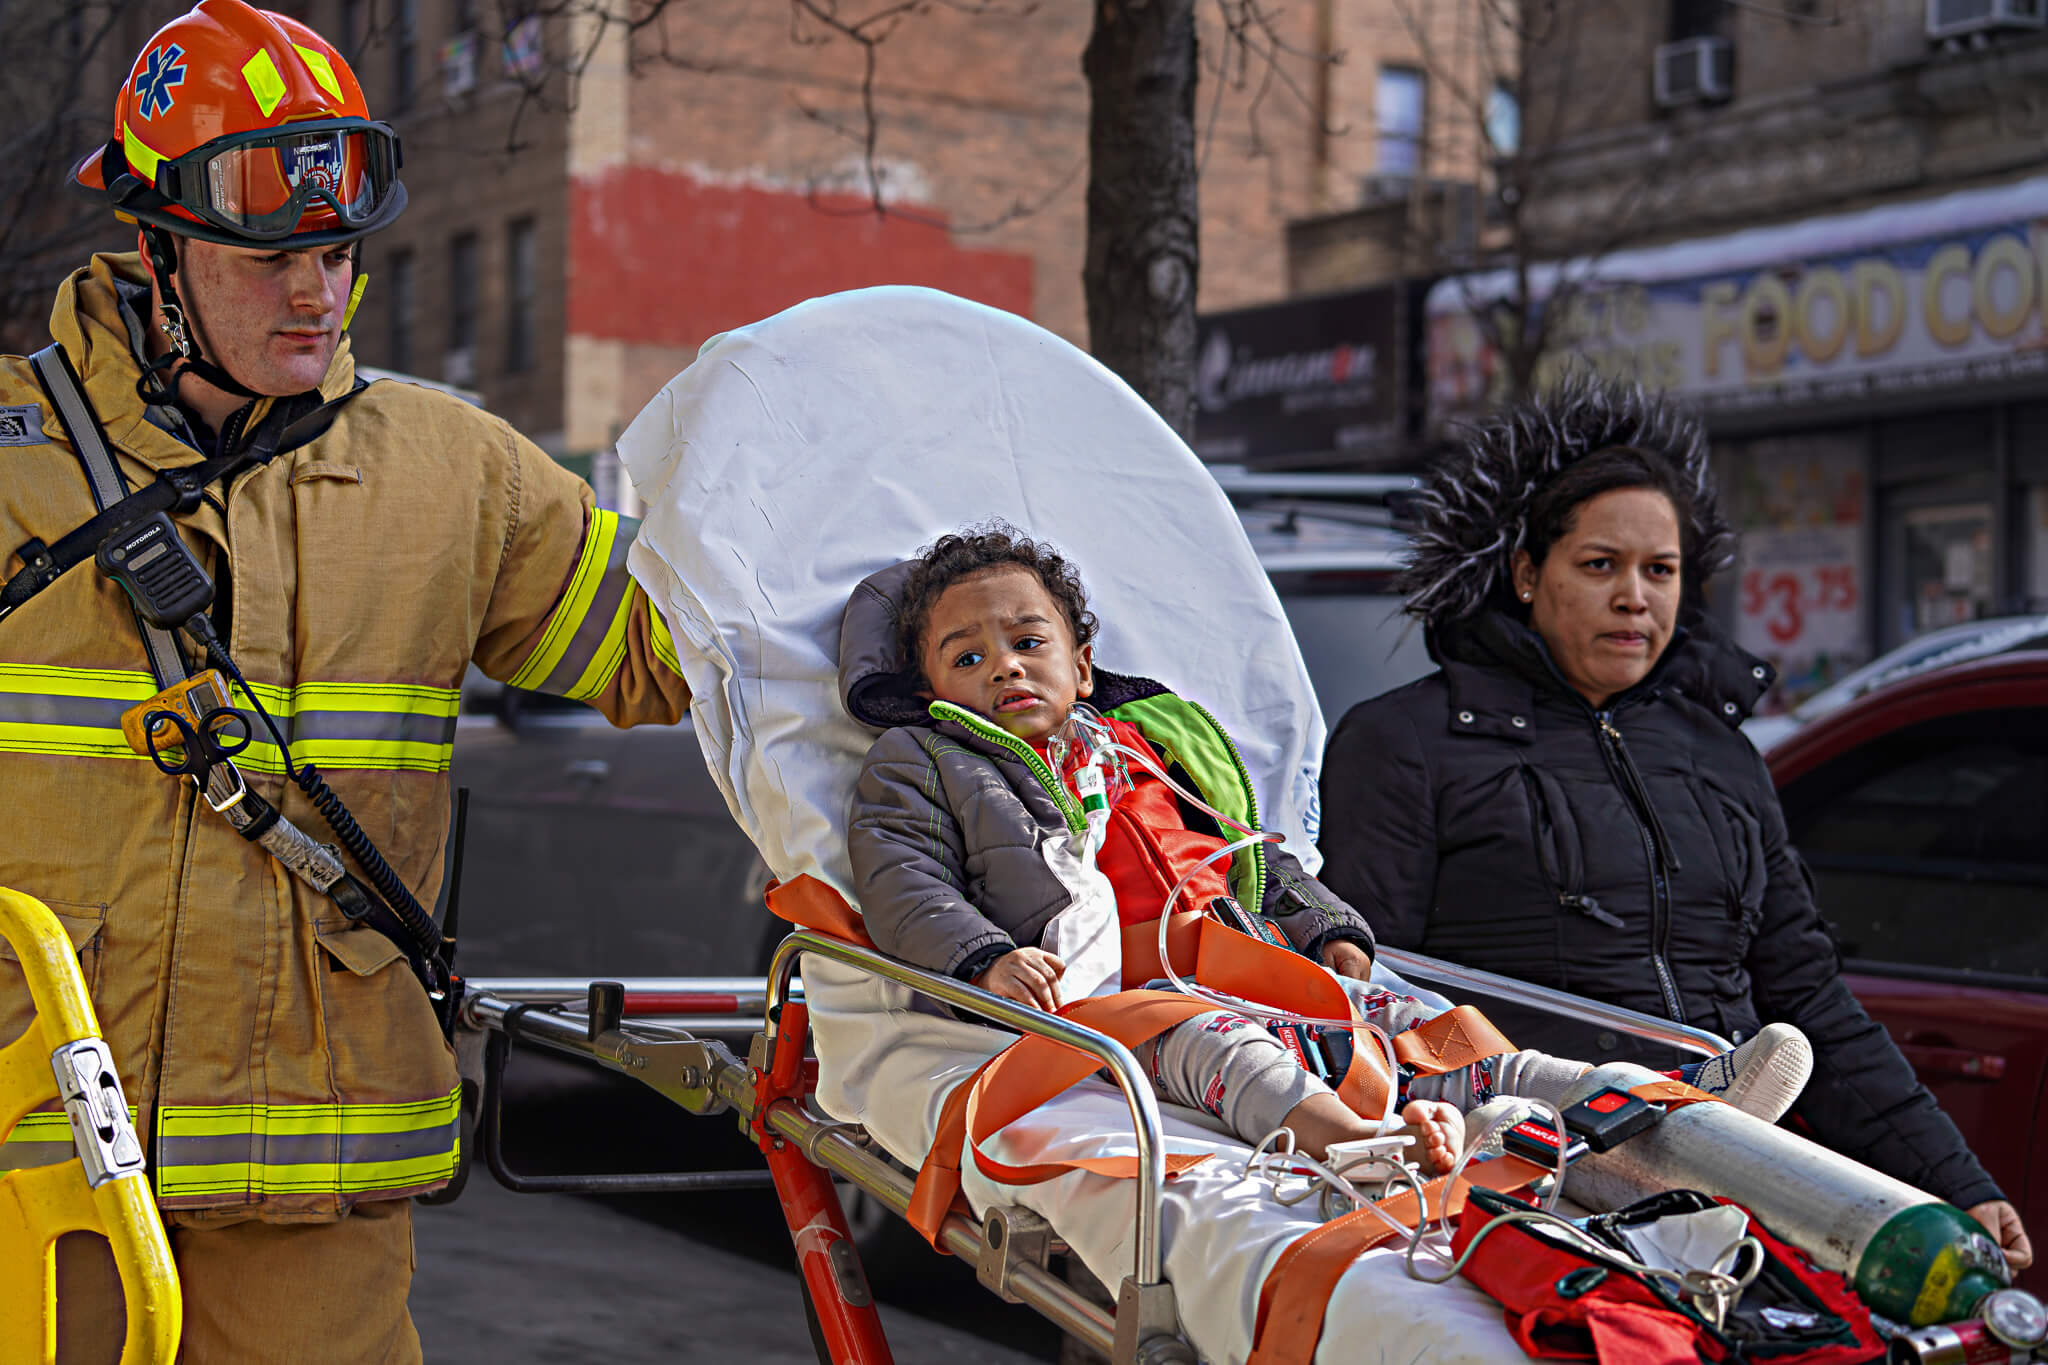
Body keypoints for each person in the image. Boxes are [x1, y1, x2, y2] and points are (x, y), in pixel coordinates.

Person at [0, 2, 690, 1358]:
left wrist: (945, 614)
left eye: (333, 252)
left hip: (313, 1209)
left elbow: (673, 655)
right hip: (35, 1175)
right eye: (268, 259)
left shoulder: (456, 473)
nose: (315, 293)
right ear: (155, 250)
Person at [1316, 374, 2032, 1271]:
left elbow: (1809, 997)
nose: (1635, 598)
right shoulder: (1407, 740)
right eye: (1600, 565)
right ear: (1526, 574)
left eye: (1660, 571)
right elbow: (1376, 997)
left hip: (1738, 1173)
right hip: (1528, 1174)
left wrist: (1958, 1182)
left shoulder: (1717, 750)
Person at [842, 525, 1811, 1177]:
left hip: (1253, 949)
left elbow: (1255, 853)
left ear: (1082, 665)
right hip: (1125, 993)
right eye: (966, 658)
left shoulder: (1150, 741)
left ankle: (1663, 1109)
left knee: (1426, 1025)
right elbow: (903, 880)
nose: (1003, 666)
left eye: (1026, 641)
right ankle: (1363, 1144)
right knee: (1224, 1049)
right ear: (927, 689)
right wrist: (982, 958)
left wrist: (1327, 926)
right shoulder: (924, 763)